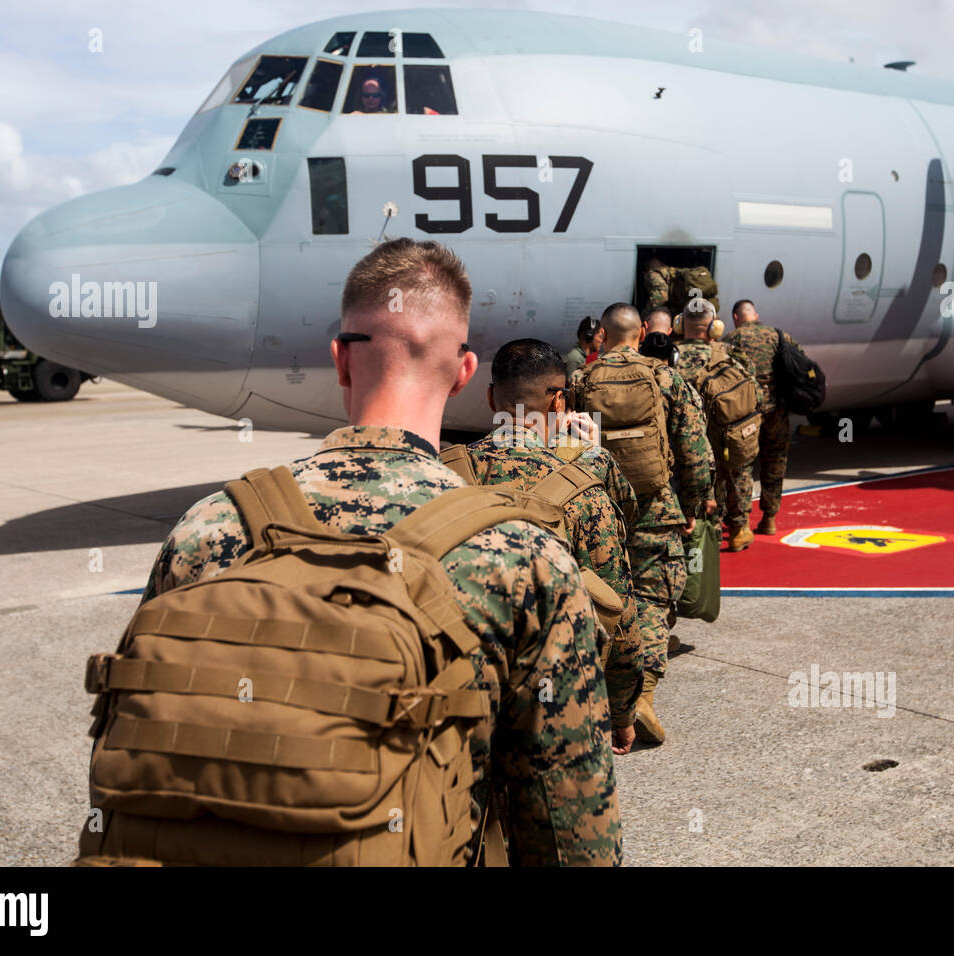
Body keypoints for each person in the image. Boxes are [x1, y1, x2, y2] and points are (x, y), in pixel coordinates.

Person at [137, 239, 620, 865]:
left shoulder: (205, 530)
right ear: (464, 374)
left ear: (340, 361)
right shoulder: (523, 556)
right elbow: (570, 834)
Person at [452, 338, 643, 755]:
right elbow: (618, 615)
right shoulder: (583, 492)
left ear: (489, 398)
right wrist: (623, 714)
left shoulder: (444, 477)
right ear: (559, 403)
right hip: (551, 714)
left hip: (456, 706)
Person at [573, 303, 714, 745]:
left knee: (601, 599)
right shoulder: (665, 378)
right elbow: (695, 452)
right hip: (655, 509)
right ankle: (642, 697)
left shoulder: (580, 381)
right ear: (640, 334)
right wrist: (692, 506)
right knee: (652, 601)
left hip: (597, 509)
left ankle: (598, 695)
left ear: (602, 335)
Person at [674, 302, 761, 552]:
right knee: (737, 472)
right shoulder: (728, 353)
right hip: (722, 435)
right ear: (714, 326)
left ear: (680, 324)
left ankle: (691, 534)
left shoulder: (670, 355)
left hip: (684, 441)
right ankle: (737, 530)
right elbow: (753, 392)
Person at [723, 298, 803, 536]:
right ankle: (769, 518)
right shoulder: (778, 336)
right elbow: (799, 360)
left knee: (741, 466)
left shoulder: (730, 340)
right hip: (776, 411)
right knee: (775, 462)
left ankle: (741, 523)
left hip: (746, 414)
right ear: (756, 316)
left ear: (736, 319)